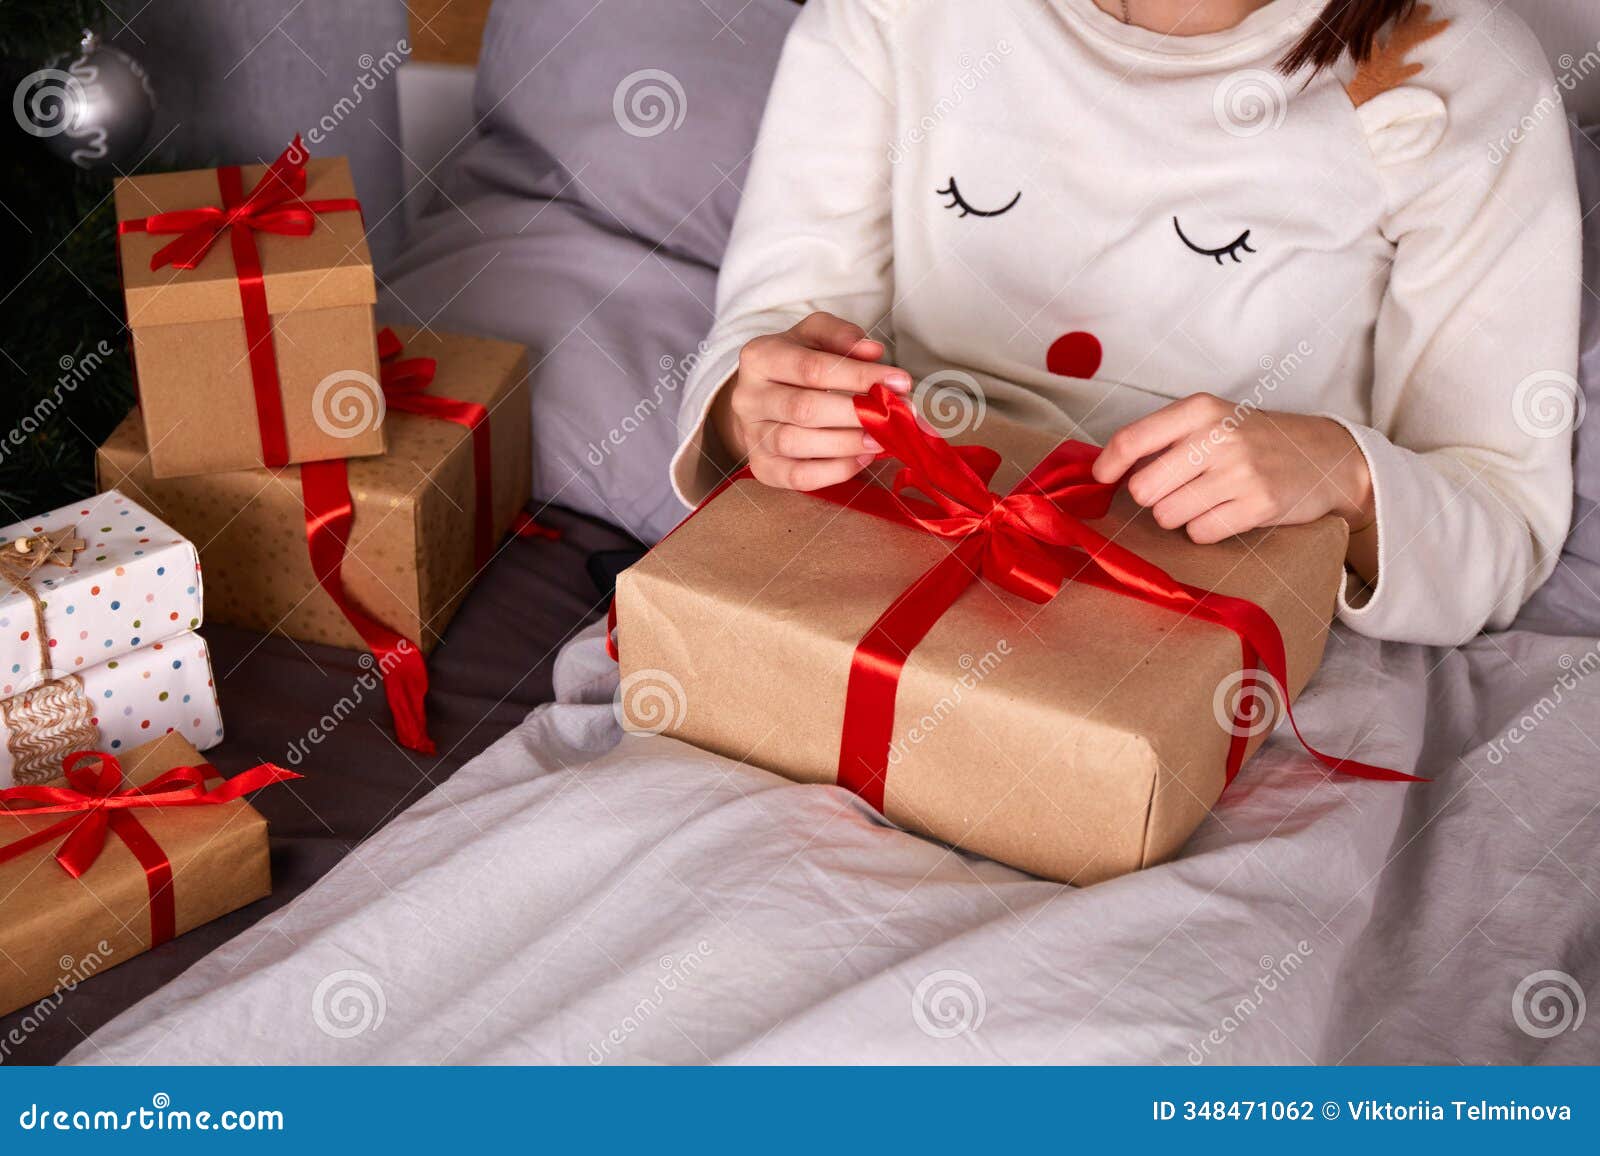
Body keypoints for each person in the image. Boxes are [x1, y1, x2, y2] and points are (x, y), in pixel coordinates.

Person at [668, 0, 1581, 647]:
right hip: (861, 592)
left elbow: (1504, 523)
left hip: (1210, 657)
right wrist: (755, 410)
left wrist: (1342, 475)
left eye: (1221, 243)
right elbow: (773, 338)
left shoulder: (1458, 72)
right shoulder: (895, 16)